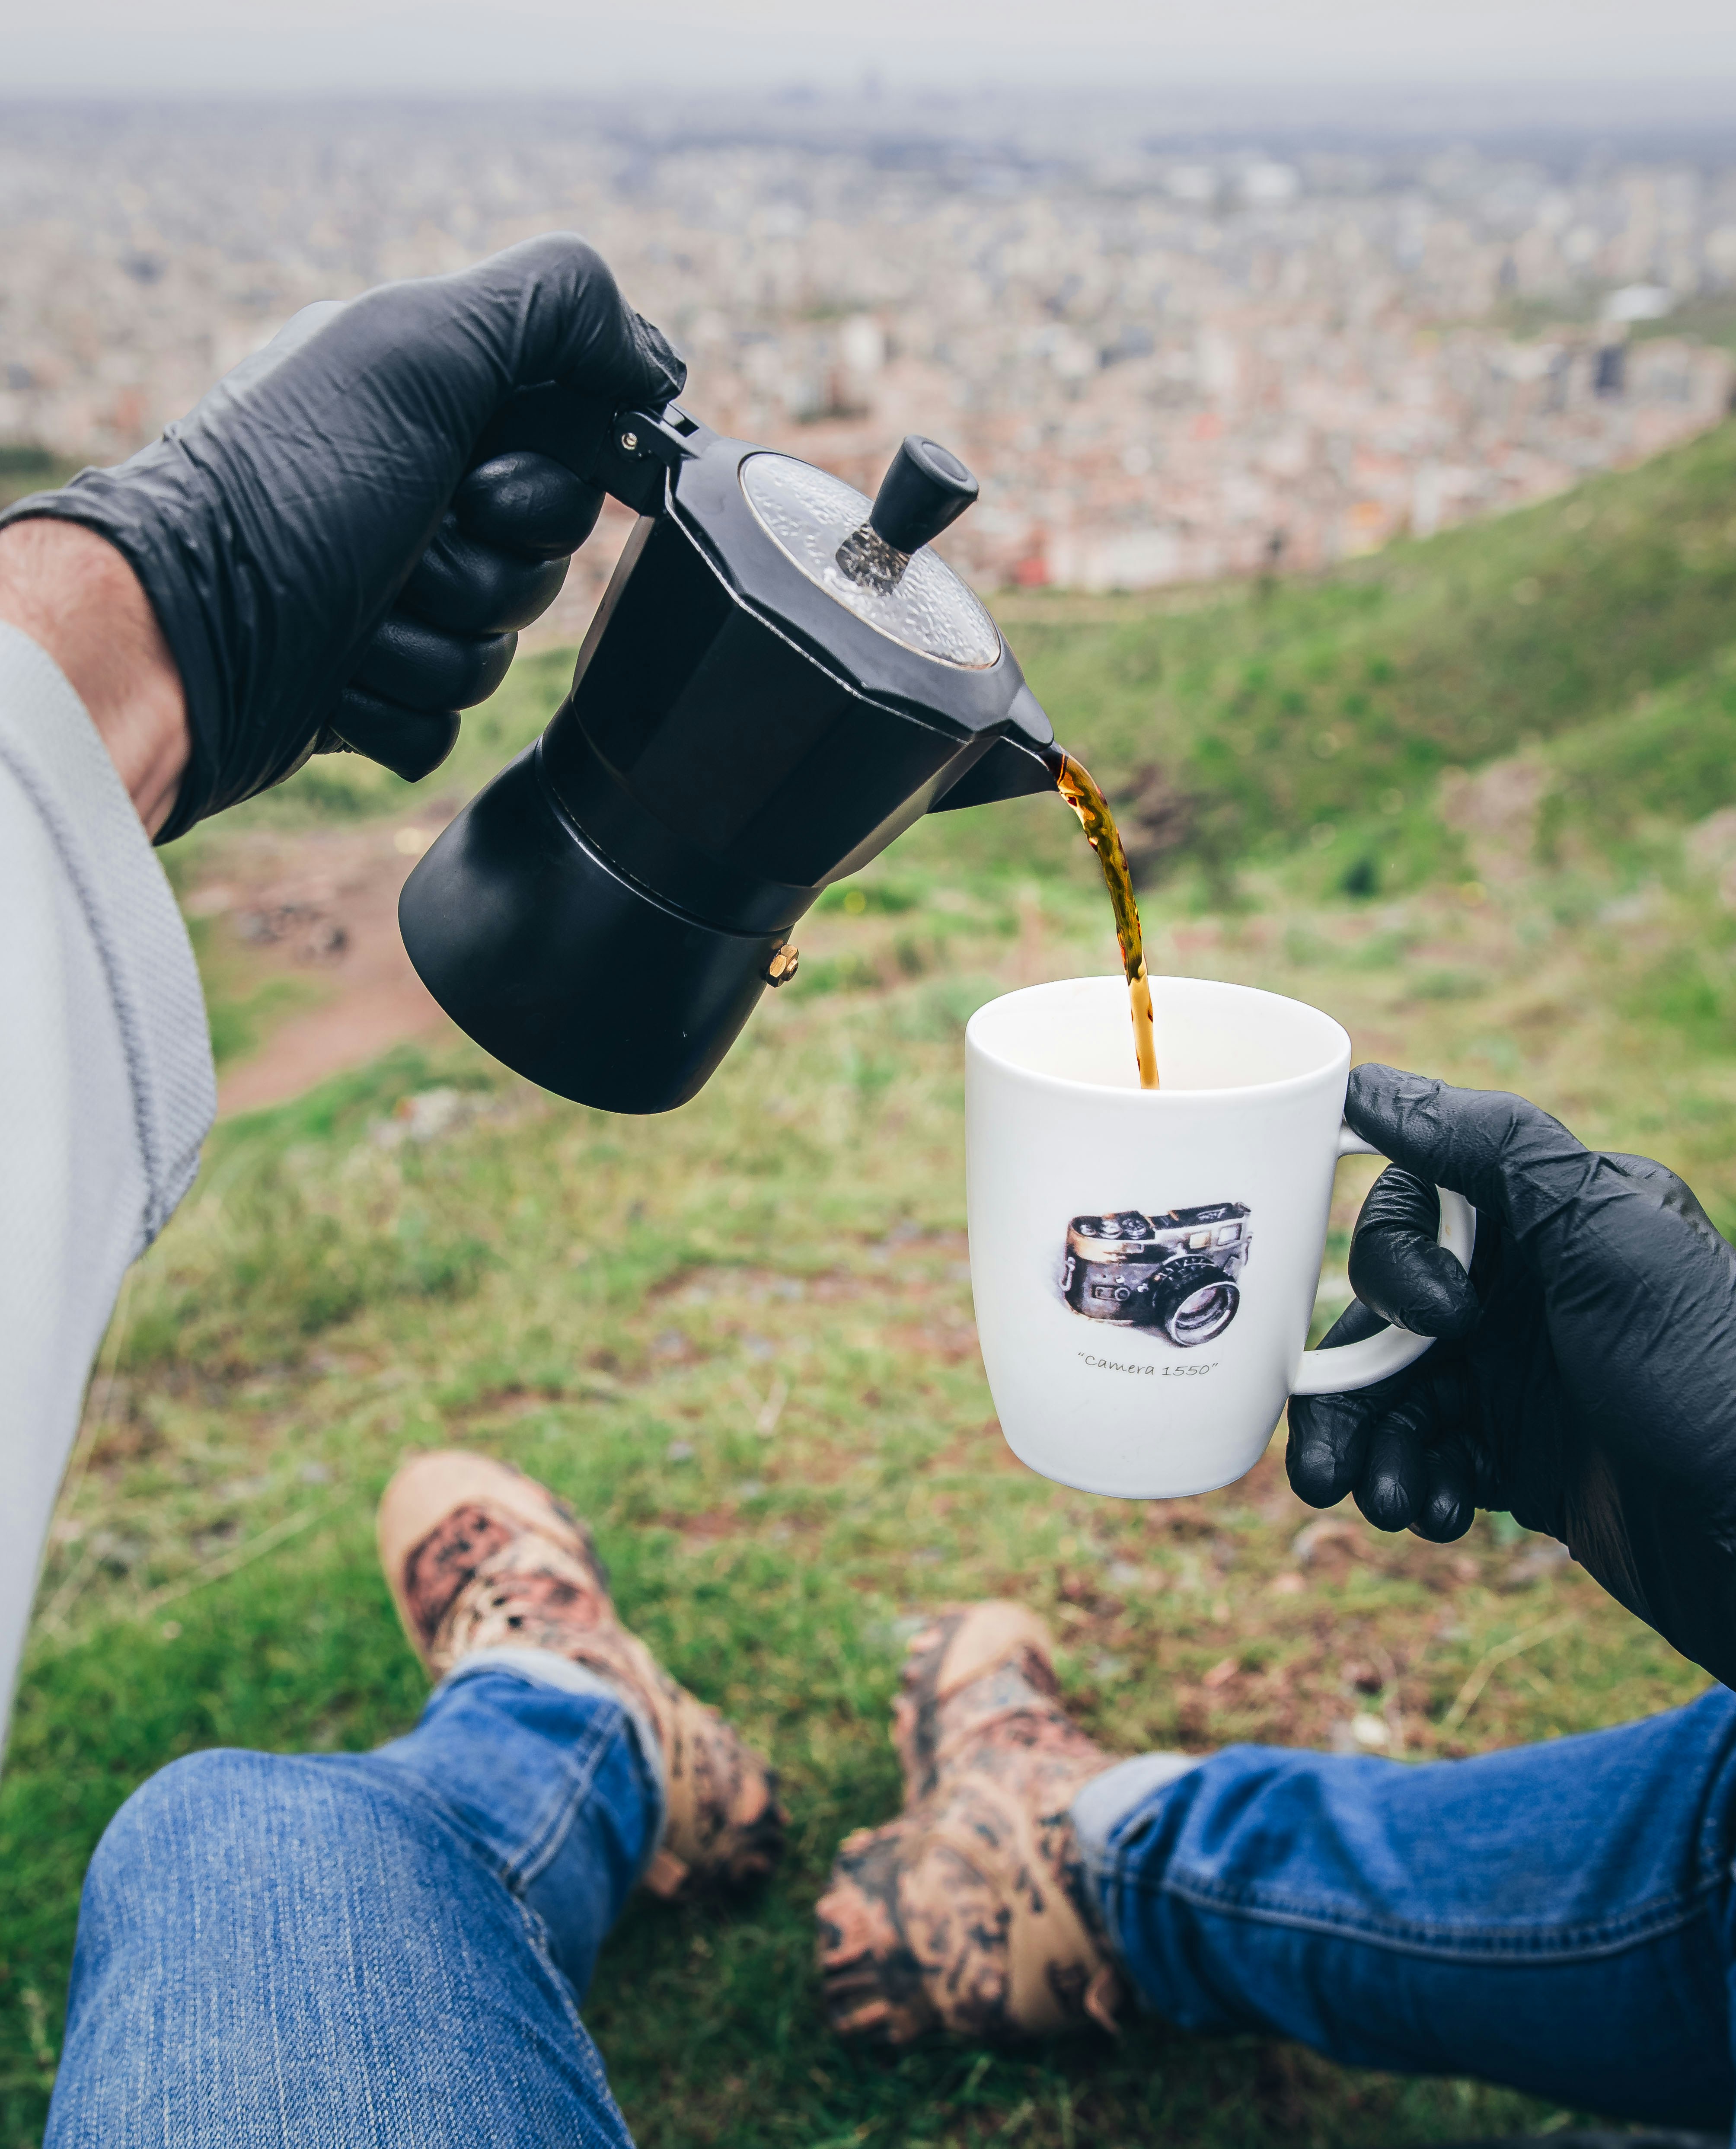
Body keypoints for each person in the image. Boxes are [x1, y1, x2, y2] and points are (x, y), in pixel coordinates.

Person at [6, 232, 1736, 2146]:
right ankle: (1105, 1860)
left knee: (236, 1844)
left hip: (555, 881)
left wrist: (132, 644)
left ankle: (568, 1732)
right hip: (560, 874)